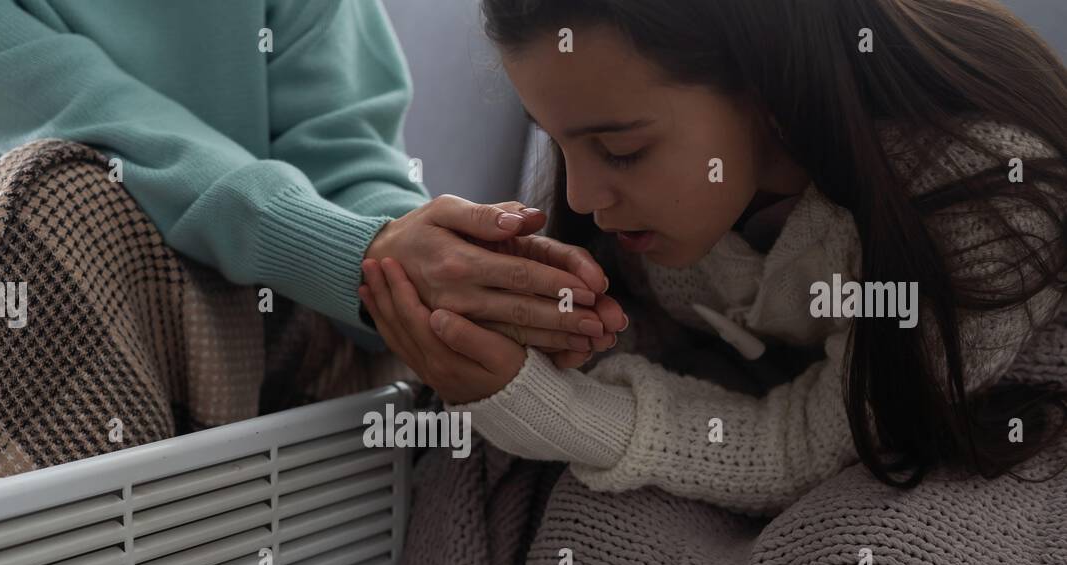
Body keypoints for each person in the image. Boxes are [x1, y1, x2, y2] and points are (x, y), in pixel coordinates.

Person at [360, 0, 1067, 516]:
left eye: (622, 150)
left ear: (766, 83)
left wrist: (546, 406)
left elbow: (815, 443)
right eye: (556, 142)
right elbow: (672, 341)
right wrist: (531, 326)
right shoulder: (654, 205)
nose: (583, 196)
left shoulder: (983, 192)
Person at [0, 0, 626, 367]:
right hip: (15, 287)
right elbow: (96, 128)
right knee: (63, 192)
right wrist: (361, 255)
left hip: (279, 300)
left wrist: (434, 271)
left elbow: (344, 158)